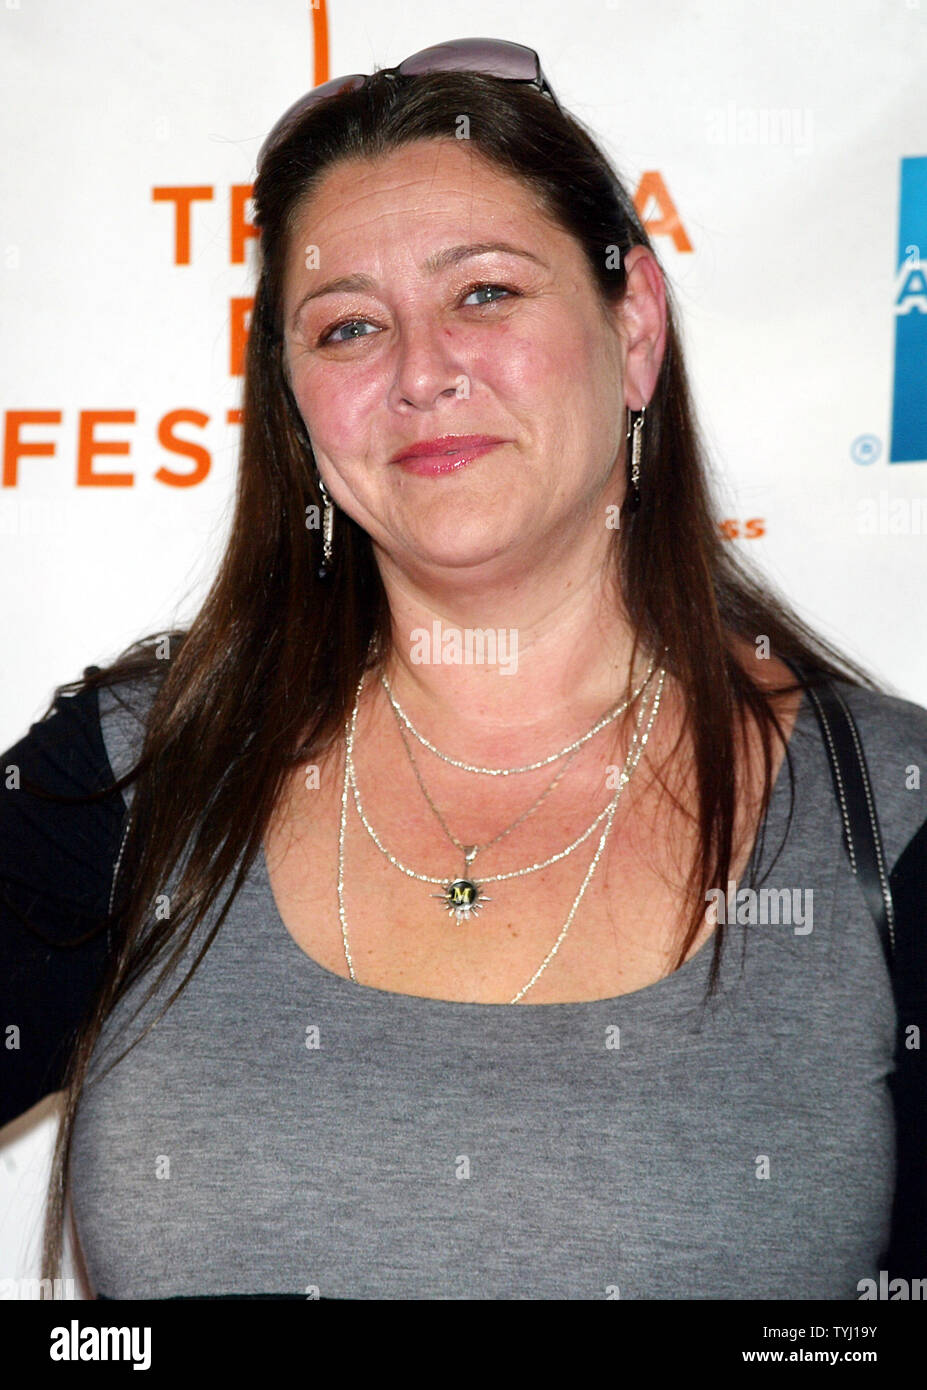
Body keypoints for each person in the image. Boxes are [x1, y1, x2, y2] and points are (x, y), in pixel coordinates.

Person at [1, 37, 925, 1301]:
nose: (421, 371)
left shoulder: (894, 811)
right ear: (295, 400)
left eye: (485, 293)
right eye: (349, 326)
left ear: (635, 325)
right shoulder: (133, 770)